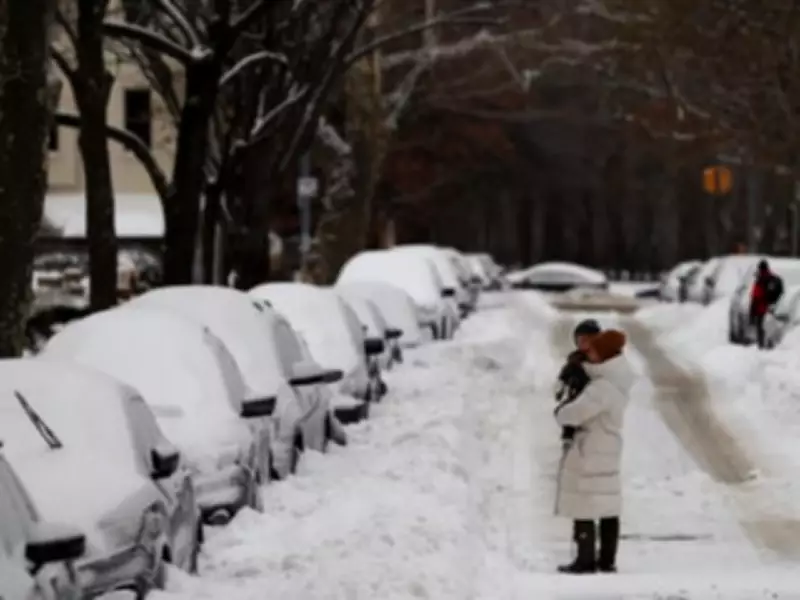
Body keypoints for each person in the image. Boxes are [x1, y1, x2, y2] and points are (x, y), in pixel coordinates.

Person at [554, 328, 635, 574]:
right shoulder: (616, 382)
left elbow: (572, 414)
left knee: (585, 501)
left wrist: (561, 411)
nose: (590, 356)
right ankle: (607, 559)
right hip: (607, 446)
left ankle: (585, 559)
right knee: (608, 503)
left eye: (595, 352)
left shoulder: (601, 388)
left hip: (591, 447)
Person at [555, 319, 602, 446]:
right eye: (582, 340)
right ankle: (568, 436)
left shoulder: (602, 359)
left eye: (591, 340)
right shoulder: (575, 359)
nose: (586, 344)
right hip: (578, 395)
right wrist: (561, 388)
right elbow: (564, 375)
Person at [750, 259, 784, 349]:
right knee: (768, 327)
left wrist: (752, 311)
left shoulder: (761, 279)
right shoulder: (772, 278)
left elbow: (756, 295)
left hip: (761, 307)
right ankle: (768, 343)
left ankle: (761, 346)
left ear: (760, 268)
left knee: (760, 327)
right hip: (771, 307)